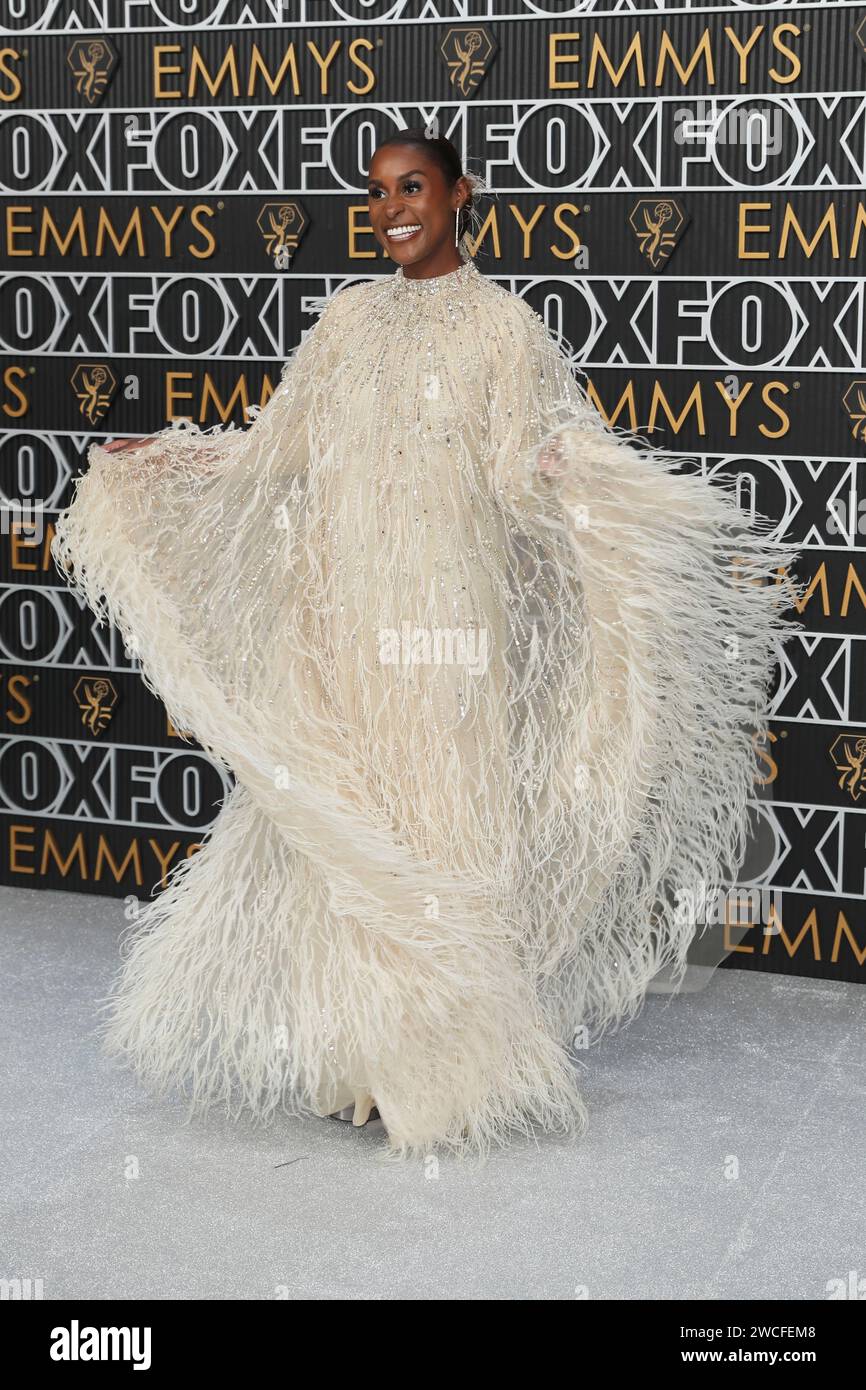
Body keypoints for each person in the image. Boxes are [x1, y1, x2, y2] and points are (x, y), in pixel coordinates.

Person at [51, 129, 803, 1163]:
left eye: (412, 189)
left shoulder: (504, 330)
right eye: (376, 193)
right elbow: (280, 455)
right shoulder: (345, 323)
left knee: (444, 816)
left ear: (459, 193)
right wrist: (171, 460)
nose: (393, 209)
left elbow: (516, 470)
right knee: (362, 823)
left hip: (449, 626)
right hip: (344, 618)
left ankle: (437, 1074)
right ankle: (361, 1057)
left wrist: (563, 466)